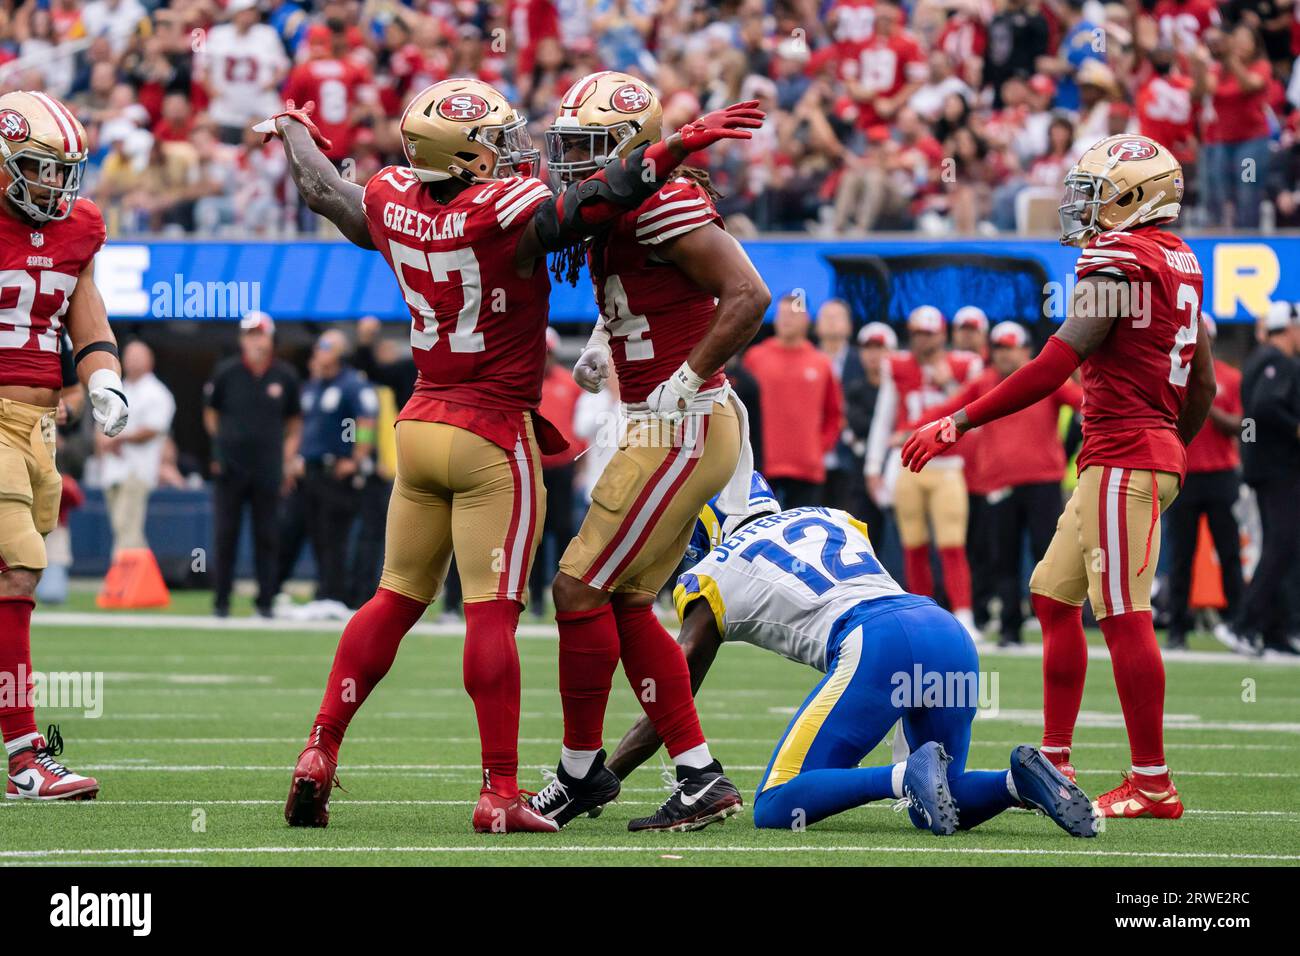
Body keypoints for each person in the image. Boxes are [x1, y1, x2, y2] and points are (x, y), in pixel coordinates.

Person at [265, 77, 763, 832]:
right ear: (464, 157)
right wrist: (678, 142)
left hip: (436, 418)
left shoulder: (394, 197)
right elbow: (596, 210)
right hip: (495, 430)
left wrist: (293, 129)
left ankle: (323, 747)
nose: (539, 157)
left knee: (412, 595)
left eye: (583, 145)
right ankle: (538, 785)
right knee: (526, 607)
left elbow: (327, 191)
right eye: (504, 145)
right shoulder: (519, 210)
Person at [903, 134, 1216, 820]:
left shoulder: (1121, 258)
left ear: (1137, 198)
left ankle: (1152, 781)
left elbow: (1053, 364)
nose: (1082, 207)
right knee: (1051, 597)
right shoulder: (1181, 260)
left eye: (1096, 194)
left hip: (1124, 453)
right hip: (1133, 453)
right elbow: (1205, 383)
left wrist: (958, 420)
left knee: (1125, 616)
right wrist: (1171, 445)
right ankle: (1056, 758)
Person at [604, 474, 1097, 838]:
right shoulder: (832, 517)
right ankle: (1017, 782)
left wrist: (605, 776)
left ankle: (904, 775)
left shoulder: (715, 568)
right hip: (944, 630)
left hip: (877, 640)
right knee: (942, 798)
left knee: (775, 805)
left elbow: (674, 688)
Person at [533, 72, 768, 831]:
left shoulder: (664, 200)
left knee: (575, 587)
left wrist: (686, 377)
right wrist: (608, 340)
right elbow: (654, 292)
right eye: (568, 145)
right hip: (660, 420)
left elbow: (748, 294)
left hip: (683, 422)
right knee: (627, 602)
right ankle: (699, 776)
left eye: (588, 147)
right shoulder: (623, 202)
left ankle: (577, 775)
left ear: (632, 146)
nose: (571, 160)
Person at [0, 90, 130, 800]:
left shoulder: (78, 228)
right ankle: (25, 758)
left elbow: (87, 316)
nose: (52, 185)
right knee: (21, 566)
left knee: (10, 582)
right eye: (34, 168)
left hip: (40, 424)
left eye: (61, 171)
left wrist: (103, 377)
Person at [918, 322, 1081, 646]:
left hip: (1042, 482)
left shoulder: (1045, 380)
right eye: (999, 348)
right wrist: (914, 426)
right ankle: (1010, 628)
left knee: (1047, 554)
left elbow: (1084, 403)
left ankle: (1055, 625)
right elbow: (949, 410)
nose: (1004, 354)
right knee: (1002, 558)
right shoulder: (985, 383)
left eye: (1009, 347)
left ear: (1025, 350)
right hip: (999, 483)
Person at [866, 305, 982, 637]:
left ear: (942, 335)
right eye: (917, 333)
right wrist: (873, 467)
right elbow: (884, 416)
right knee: (913, 545)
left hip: (948, 465)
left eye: (928, 334)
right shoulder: (898, 366)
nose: (922, 341)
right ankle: (922, 613)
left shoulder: (964, 365)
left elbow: (974, 419)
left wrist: (948, 385)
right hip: (909, 465)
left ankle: (963, 614)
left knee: (951, 543)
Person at [203, 311, 302, 618]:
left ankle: (266, 601)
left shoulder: (284, 376)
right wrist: (222, 446)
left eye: (259, 334)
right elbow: (211, 412)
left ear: (271, 339)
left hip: (268, 468)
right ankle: (222, 601)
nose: (255, 340)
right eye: (249, 334)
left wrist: (285, 459)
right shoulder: (227, 372)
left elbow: (295, 423)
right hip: (231, 468)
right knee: (225, 535)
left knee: (267, 536)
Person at [1219, 302, 1300, 655]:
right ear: (1290, 328)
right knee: (1282, 544)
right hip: (1278, 468)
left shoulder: (1258, 360)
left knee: (1282, 545)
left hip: (1265, 467)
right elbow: (1266, 407)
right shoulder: (1277, 362)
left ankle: (1275, 630)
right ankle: (1244, 623)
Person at [1166, 315, 1243, 651]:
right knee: (1181, 555)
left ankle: (1238, 623)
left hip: (1221, 473)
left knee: (1229, 552)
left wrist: (1204, 399)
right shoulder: (1172, 375)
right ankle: (1177, 629)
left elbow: (1241, 425)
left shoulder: (1229, 378)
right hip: (1183, 472)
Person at [289, 330, 377, 616]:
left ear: (340, 352)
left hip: (336, 471)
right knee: (315, 532)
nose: (318, 352)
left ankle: (337, 594)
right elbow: (304, 426)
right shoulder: (314, 386)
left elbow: (366, 419)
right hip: (312, 470)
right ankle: (325, 590)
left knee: (335, 533)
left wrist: (357, 457)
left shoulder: (351, 385)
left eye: (326, 347)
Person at [744, 294, 843, 509]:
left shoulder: (820, 362)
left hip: (807, 469)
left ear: (807, 319)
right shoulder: (755, 357)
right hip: (762, 466)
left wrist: (818, 448)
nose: (786, 319)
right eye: (782, 314)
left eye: (793, 314)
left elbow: (834, 415)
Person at [95, 341, 175, 556]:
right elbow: (100, 424)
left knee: (127, 526)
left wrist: (120, 440)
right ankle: (138, 580)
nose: (133, 360)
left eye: (139, 356)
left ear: (150, 361)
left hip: (137, 469)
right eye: (130, 355)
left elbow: (153, 429)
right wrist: (105, 442)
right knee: (123, 528)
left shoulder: (157, 392)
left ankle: (127, 579)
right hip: (112, 470)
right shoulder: (118, 388)